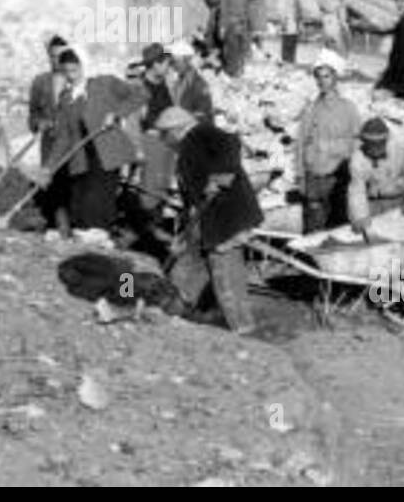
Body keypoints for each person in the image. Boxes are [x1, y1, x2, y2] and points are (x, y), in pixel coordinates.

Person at [155, 106, 262, 335]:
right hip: (207, 218)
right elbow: (192, 194)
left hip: (227, 217)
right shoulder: (187, 147)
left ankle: (243, 328)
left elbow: (231, 143)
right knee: (185, 265)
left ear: (175, 130)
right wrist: (183, 233)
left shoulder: (202, 133)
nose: (164, 141)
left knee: (225, 272)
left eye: (165, 135)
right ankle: (171, 311)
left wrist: (218, 178)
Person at [43, 49, 145, 236]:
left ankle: (99, 244)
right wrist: (49, 166)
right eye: (67, 72)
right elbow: (64, 136)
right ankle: (85, 243)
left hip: (106, 155)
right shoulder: (66, 98)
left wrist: (116, 114)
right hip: (80, 157)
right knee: (79, 206)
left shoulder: (104, 83)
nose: (71, 76)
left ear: (84, 66)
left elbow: (140, 95)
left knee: (96, 204)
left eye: (74, 71)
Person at [296, 50, 363, 233]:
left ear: (335, 78)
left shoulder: (349, 109)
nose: (321, 81)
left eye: (326, 76)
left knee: (338, 226)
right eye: (318, 77)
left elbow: (358, 144)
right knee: (313, 226)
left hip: (337, 178)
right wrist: (300, 176)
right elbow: (300, 144)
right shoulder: (310, 109)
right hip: (314, 177)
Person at [347, 117, 404, 234]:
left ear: (385, 140)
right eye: (369, 144)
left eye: (378, 144)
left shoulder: (402, 150)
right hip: (373, 205)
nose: (373, 148)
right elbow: (357, 191)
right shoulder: (358, 158)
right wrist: (360, 216)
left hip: (400, 202)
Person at [29, 35, 69, 231]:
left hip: (71, 144)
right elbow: (32, 116)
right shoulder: (40, 82)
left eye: (61, 56)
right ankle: (55, 227)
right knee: (52, 187)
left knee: (71, 185)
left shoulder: (76, 82)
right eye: (53, 56)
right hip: (49, 144)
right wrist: (39, 123)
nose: (57, 61)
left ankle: (70, 227)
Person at [215, 0, 253, 77]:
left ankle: (232, 72)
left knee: (231, 49)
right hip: (242, 24)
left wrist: (222, 27)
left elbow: (224, 11)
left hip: (230, 24)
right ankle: (240, 70)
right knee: (240, 47)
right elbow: (247, 10)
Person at [167, 39, 214, 122]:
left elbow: (204, 115)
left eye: (174, 62)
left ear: (186, 60)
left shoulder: (199, 84)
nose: (172, 66)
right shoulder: (179, 81)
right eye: (171, 62)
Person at [138, 42, 174, 131]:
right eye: (167, 64)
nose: (169, 68)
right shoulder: (139, 88)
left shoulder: (164, 84)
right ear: (156, 64)